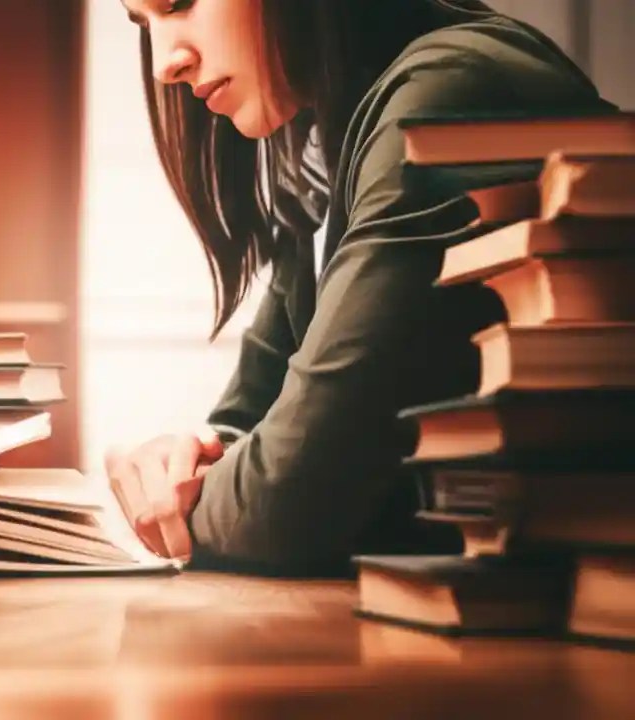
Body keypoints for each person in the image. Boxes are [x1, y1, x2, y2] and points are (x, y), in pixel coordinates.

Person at [107, 0, 614, 574]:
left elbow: (288, 500)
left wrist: (180, 501)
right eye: (142, 24)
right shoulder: (327, 144)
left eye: (177, 3)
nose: (162, 67)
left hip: (533, 641)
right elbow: (247, 423)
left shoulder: (451, 91)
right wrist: (176, 464)